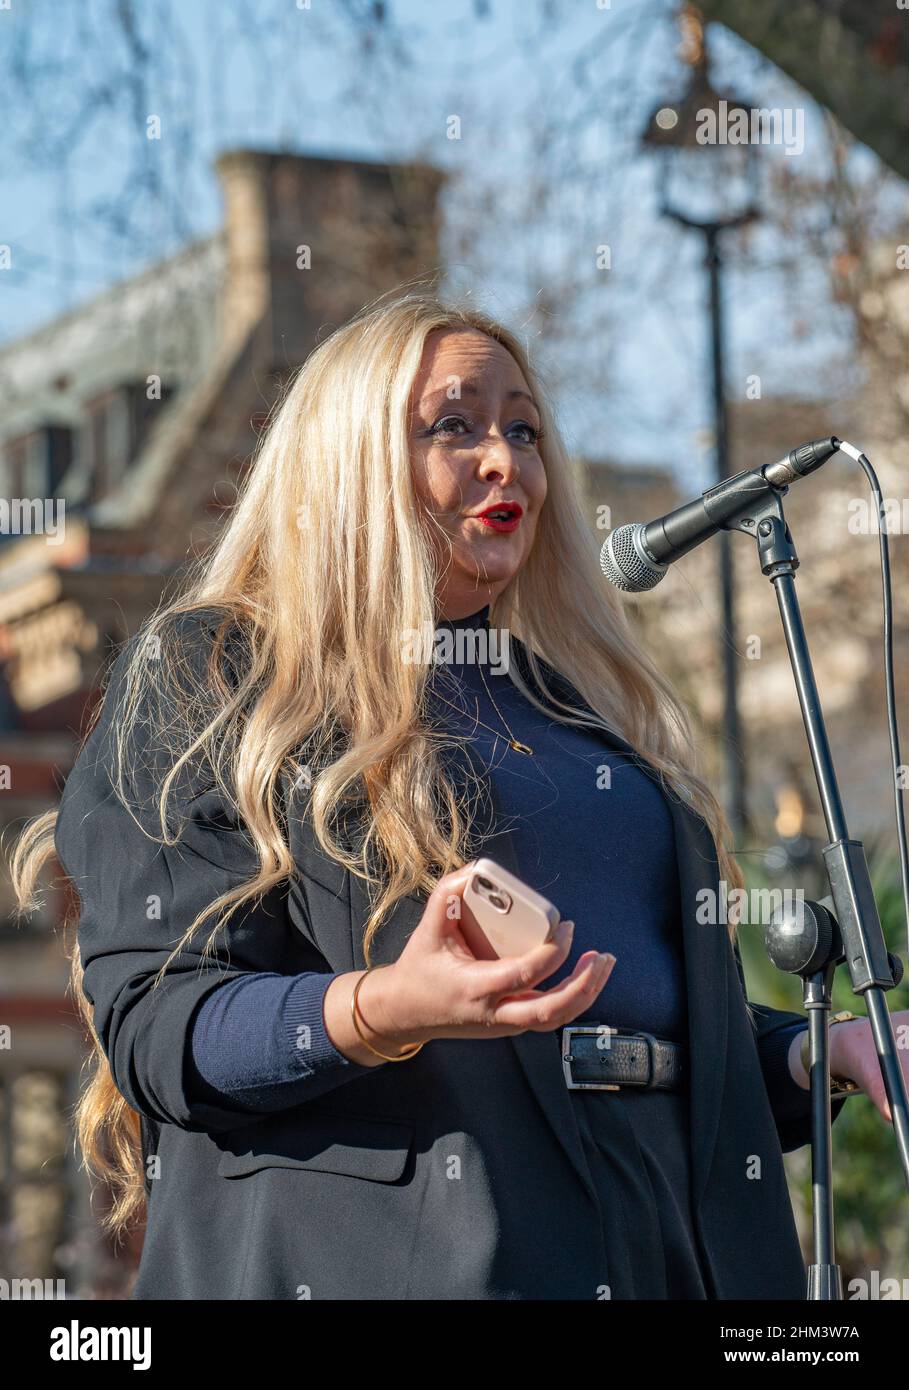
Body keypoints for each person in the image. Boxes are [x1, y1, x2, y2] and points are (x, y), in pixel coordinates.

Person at [11, 290, 902, 1301]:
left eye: (523, 428)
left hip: (664, 1242)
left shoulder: (568, 705)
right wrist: (387, 1006)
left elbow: (626, 1009)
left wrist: (810, 1050)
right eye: (454, 425)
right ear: (348, 461)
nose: (506, 459)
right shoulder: (215, 673)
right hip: (394, 1257)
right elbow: (161, 1027)